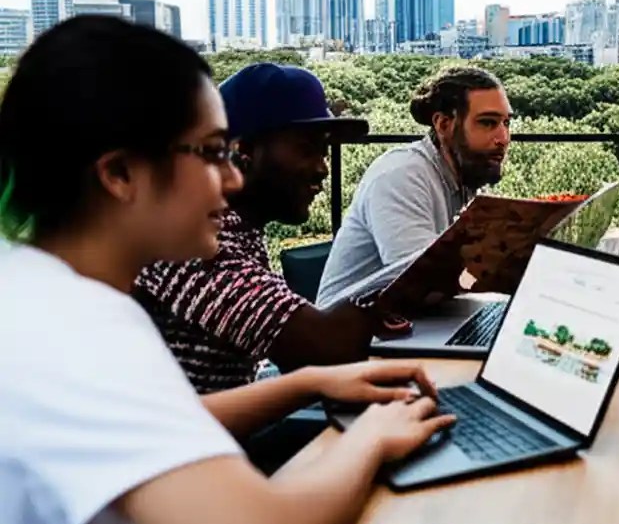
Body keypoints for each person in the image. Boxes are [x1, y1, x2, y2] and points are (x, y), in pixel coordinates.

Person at [0, 17, 454, 524]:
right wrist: (372, 436)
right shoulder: (86, 331)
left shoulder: (42, 294)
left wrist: (309, 382)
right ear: (120, 174)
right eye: (214, 153)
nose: (233, 177)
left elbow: (164, 416)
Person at [135, 63, 416, 395]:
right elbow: (324, 351)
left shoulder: (236, 229)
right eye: (308, 148)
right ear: (243, 152)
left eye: (325, 152)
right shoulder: (189, 242)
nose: (323, 168)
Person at [317, 66, 512, 307]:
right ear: (443, 125)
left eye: (506, 123)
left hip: (410, 325)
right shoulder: (402, 175)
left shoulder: (464, 176)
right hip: (349, 337)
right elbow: (422, 284)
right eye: (487, 123)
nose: (503, 138)